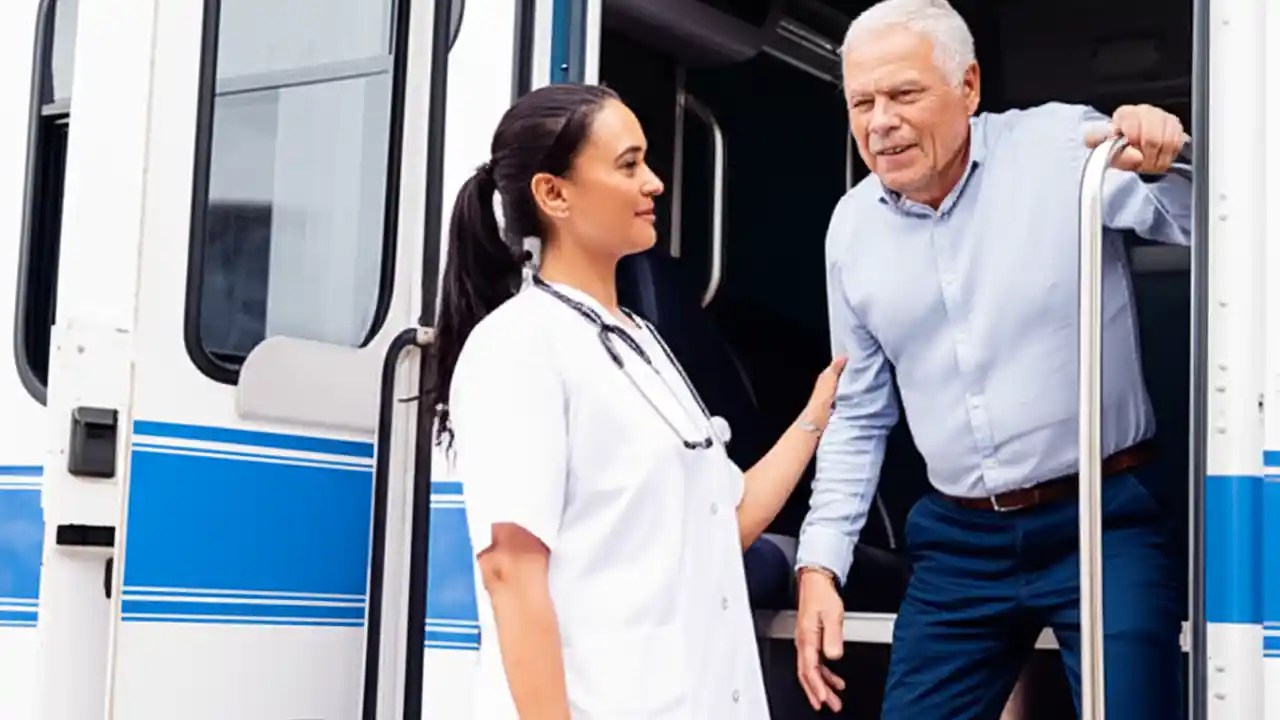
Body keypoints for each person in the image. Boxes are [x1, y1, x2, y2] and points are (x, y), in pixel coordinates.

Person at [791, 1, 1192, 718]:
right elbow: (858, 412)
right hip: (958, 545)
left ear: (968, 86)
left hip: (1104, 523)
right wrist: (820, 563)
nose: (880, 121)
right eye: (862, 101)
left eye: (904, 94)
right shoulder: (850, 229)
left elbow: (1217, 227)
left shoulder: (1066, 146)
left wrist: (1169, 161)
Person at [429, 83, 847, 720]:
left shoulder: (642, 339)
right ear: (554, 194)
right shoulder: (518, 346)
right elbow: (512, 574)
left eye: (648, 161)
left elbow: (720, 526)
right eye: (629, 165)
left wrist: (819, 412)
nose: (654, 183)